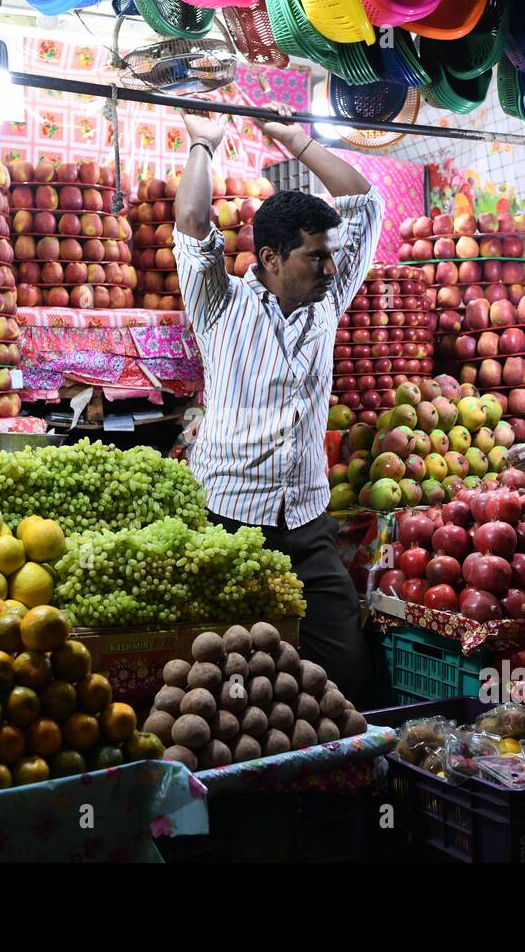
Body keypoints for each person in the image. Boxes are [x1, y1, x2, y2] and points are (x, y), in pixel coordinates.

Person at [173, 107, 383, 703]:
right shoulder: (221, 305)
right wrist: (202, 145)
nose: (331, 267)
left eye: (330, 255)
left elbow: (365, 203)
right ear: (269, 259)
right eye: (315, 256)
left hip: (308, 522)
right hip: (231, 521)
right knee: (235, 683)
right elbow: (191, 222)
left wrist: (299, 142)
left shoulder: (327, 301)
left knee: (348, 671)